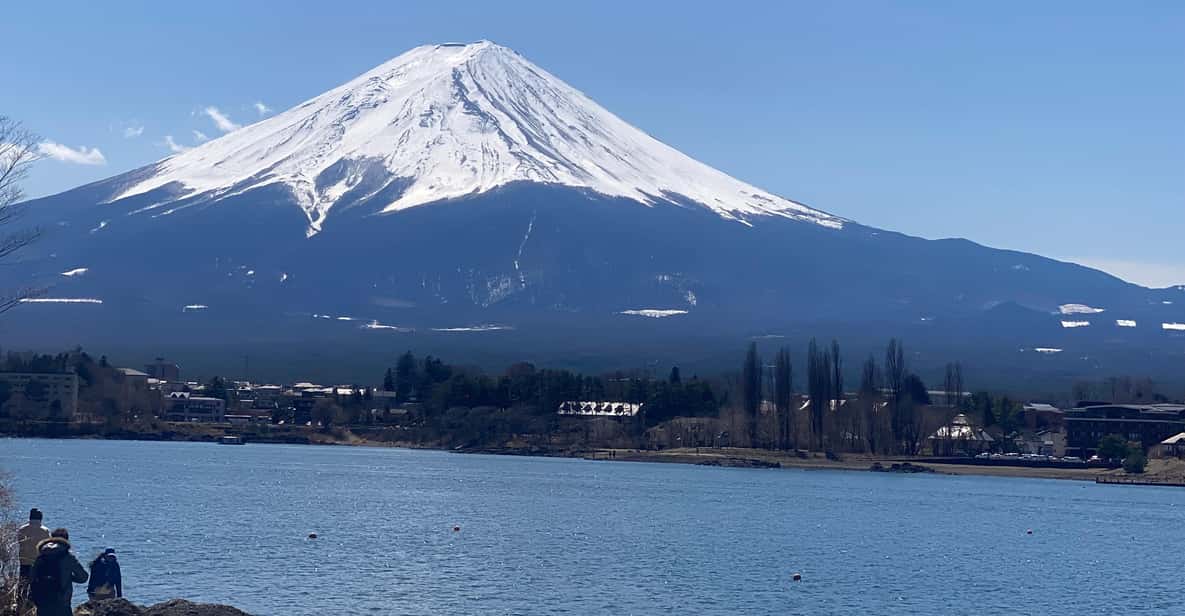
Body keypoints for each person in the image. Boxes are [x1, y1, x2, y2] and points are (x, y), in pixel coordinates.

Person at [30, 528, 88, 616]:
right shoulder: (68, 557)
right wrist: (69, 577)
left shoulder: (41, 556)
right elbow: (83, 577)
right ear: (66, 540)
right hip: (62, 602)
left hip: (42, 600)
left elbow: (32, 577)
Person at [17, 508, 50, 579]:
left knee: (24, 582)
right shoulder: (45, 531)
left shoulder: (22, 529)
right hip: (39, 562)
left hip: (24, 560)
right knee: (38, 582)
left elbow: (19, 542)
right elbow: (48, 546)